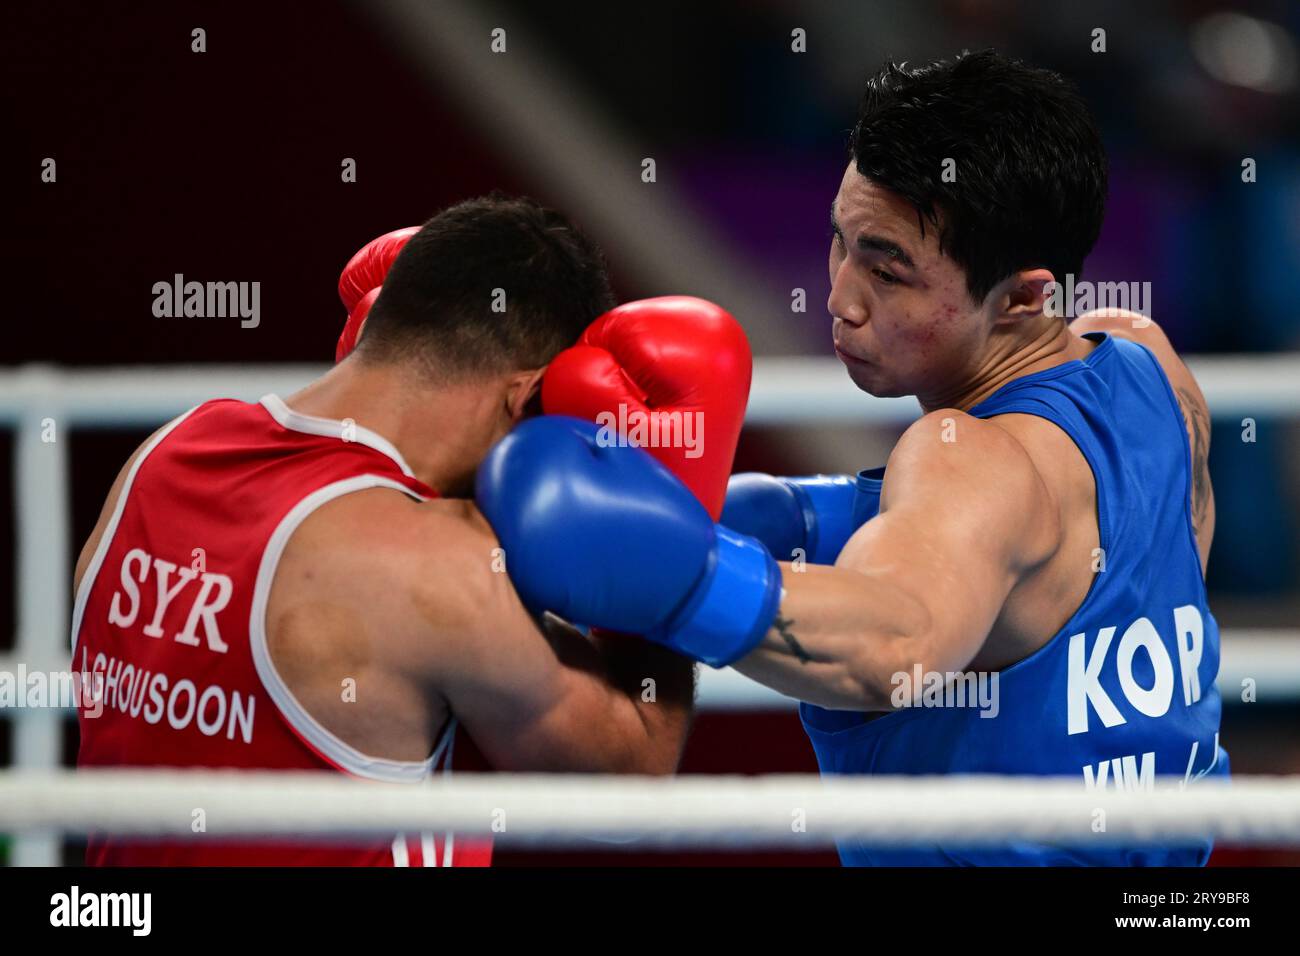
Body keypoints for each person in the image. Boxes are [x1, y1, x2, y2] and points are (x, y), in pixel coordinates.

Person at [476, 52, 1228, 866]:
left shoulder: (965, 462)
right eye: (840, 243)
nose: (840, 297)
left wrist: (677, 570)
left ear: (1021, 297)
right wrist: (806, 521)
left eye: (886, 269)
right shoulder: (1146, 363)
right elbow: (1094, 572)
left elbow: (893, 650)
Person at [71, 194, 751, 865]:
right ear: (528, 395)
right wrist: (670, 561)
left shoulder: (164, 454)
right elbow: (629, 775)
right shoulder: (431, 563)